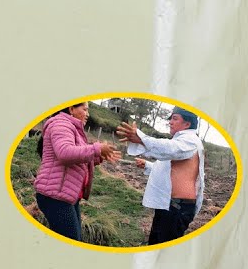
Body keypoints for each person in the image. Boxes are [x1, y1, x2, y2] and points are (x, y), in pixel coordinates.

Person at [116, 107, 205, 245]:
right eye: (171, 118)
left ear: (187, 124)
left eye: (175, 118)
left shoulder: (190, 140)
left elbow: (169, 149)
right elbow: (170, 170)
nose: (170, 122)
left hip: (178, 209)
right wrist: (147, 165)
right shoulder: (182, 142)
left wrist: (141, 138)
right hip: (170, 206)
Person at [32, 102, 120, 241]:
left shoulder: (72, 128)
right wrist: (96, 148)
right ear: (71, 109)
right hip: (55, 196)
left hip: (65, 195)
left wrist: (100, 156)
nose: (88, 114)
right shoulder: (61, 124)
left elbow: (78, 159)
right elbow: (65, 153)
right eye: (85, 109)